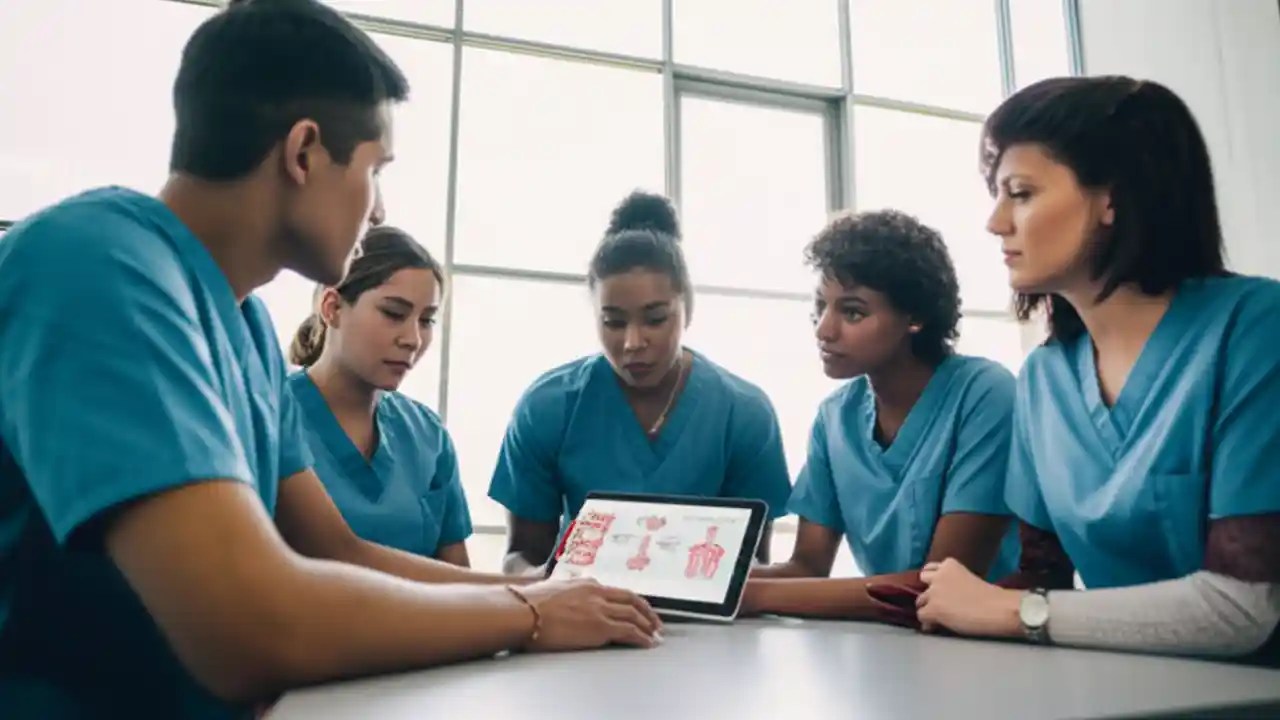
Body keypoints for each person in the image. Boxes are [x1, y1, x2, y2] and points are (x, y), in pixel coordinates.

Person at [0, 2, 658, 717]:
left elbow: (338, 553)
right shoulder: (94, 266)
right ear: (304, 152)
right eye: (375, 170)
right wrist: (524, 617)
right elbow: (247, 624)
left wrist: (544, 594)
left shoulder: (245, 321)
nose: (378, 211)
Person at [907, 75, 1280, 662]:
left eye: (1021, 193)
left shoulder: (1256, 327)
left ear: (1113, 198)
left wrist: (1010, 612)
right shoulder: (1043, 380)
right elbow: (1040, 580)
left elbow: (1243, 608)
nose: (995, 221)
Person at [489, 191, 793, 574]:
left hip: (711, 629)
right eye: (614, 322)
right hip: (579, 618)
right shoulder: (548, 407)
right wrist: (551, 581)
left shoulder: (744, 413)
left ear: (688, 309)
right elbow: (522, 559)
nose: (633, 342)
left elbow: (750, 567)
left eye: (655, 319)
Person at [745, 210, 1018, 625]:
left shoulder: (985, 395)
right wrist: (712, 581)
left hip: (996, 645)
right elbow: (806, 568)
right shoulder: (834, 418)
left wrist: (755, 594)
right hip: (891, 653)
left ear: (915, 318)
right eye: (821, 307)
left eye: (852, 312)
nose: (824, 329)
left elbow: (940, 586)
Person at [287, 226, 472, 565]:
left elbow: (461, 583)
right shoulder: (271, 414)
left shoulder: (428, 435)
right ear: (333, 307)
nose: (413, 339)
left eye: (427, 320)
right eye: (393, 314)